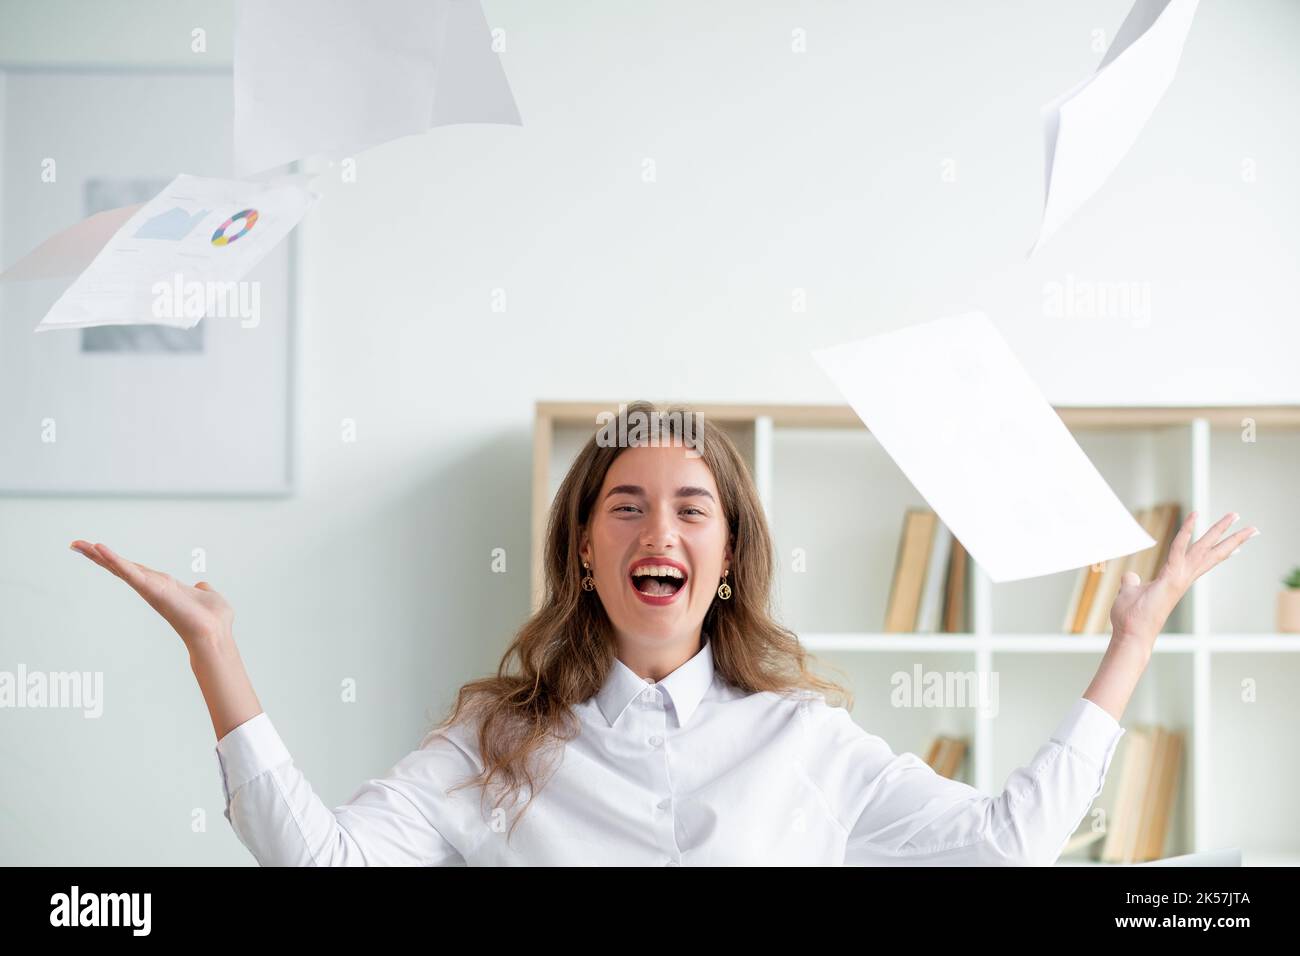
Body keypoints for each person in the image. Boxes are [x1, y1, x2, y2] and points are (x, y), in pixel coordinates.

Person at [71, 401, 1258, 866]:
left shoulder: (806, 738)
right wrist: (216, 656)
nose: (659, 527)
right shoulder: (493, 738)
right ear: (584, 550)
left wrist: (1134, 638)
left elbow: (1003, 846)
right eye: (624, 504)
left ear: (726, 554)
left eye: (691, 506)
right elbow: (321, 864)